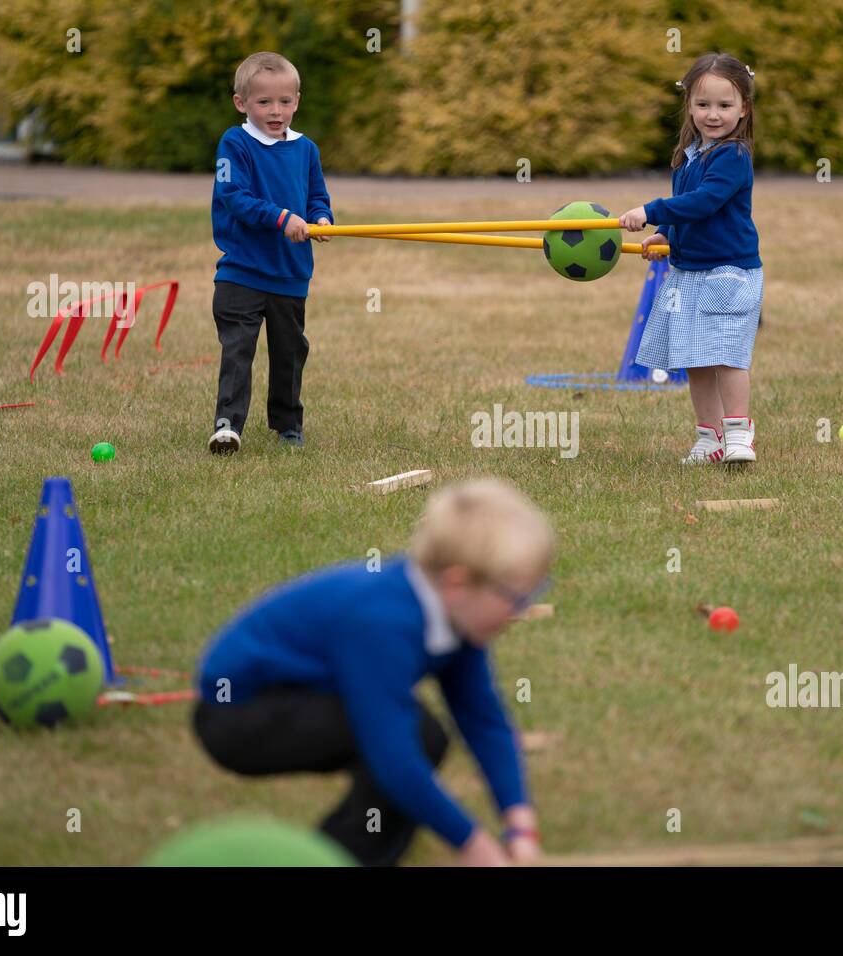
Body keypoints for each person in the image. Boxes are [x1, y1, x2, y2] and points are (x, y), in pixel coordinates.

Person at [192, 478, 554, 866]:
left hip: (303, 696)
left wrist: (520, 825)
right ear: (457, 583)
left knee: (419, 740)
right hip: (236, 712)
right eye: (516, 597)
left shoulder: (456, 621)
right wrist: (475, 847)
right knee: (410, 743)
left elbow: (483, 719)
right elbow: (394, 758)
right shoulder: (383, 622)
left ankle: (339, 856)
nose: (520, 610)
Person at [619, 52, 763, 465]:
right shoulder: (688, 155)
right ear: (689, 106)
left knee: (727, 357)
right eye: (703, 105)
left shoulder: (733, 157)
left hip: (728, 273)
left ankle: (739, 432)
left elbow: (704, 202)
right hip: (688, 274)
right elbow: (688, 208)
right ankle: (709, 437)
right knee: (694, 360)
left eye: (724, 105)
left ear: (743, 108)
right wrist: (666, 233)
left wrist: (651, 212)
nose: (712, 115)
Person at [208, 51, 333, 454]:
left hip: (290, 273)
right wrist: (283, 218)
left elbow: (317, 197)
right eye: (264, 102)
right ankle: (227, 426)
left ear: (297, 100)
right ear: (241, 103)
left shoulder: (306, 149)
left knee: (289, 353)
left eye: (285, 101)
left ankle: (288, 425)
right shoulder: (235, 143)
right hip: (241, 272)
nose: (276, 111)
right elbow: (233, 197)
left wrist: (321, 219)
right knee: (238, 351)